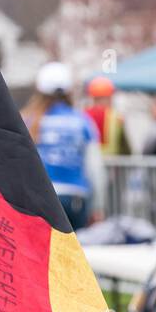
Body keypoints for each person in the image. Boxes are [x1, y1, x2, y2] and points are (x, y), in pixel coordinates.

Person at [22, 61, 104, 230]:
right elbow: (96, 170)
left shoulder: (27, 121)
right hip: (76, 198)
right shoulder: (82, 121)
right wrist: (98, 207)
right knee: (74, 253)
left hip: (40, 198)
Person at [84, 75, 131, 155]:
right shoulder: (116, 117)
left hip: (88, 164)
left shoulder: (83, 115)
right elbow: (126, 149)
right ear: (109, 97)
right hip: (111, 164)